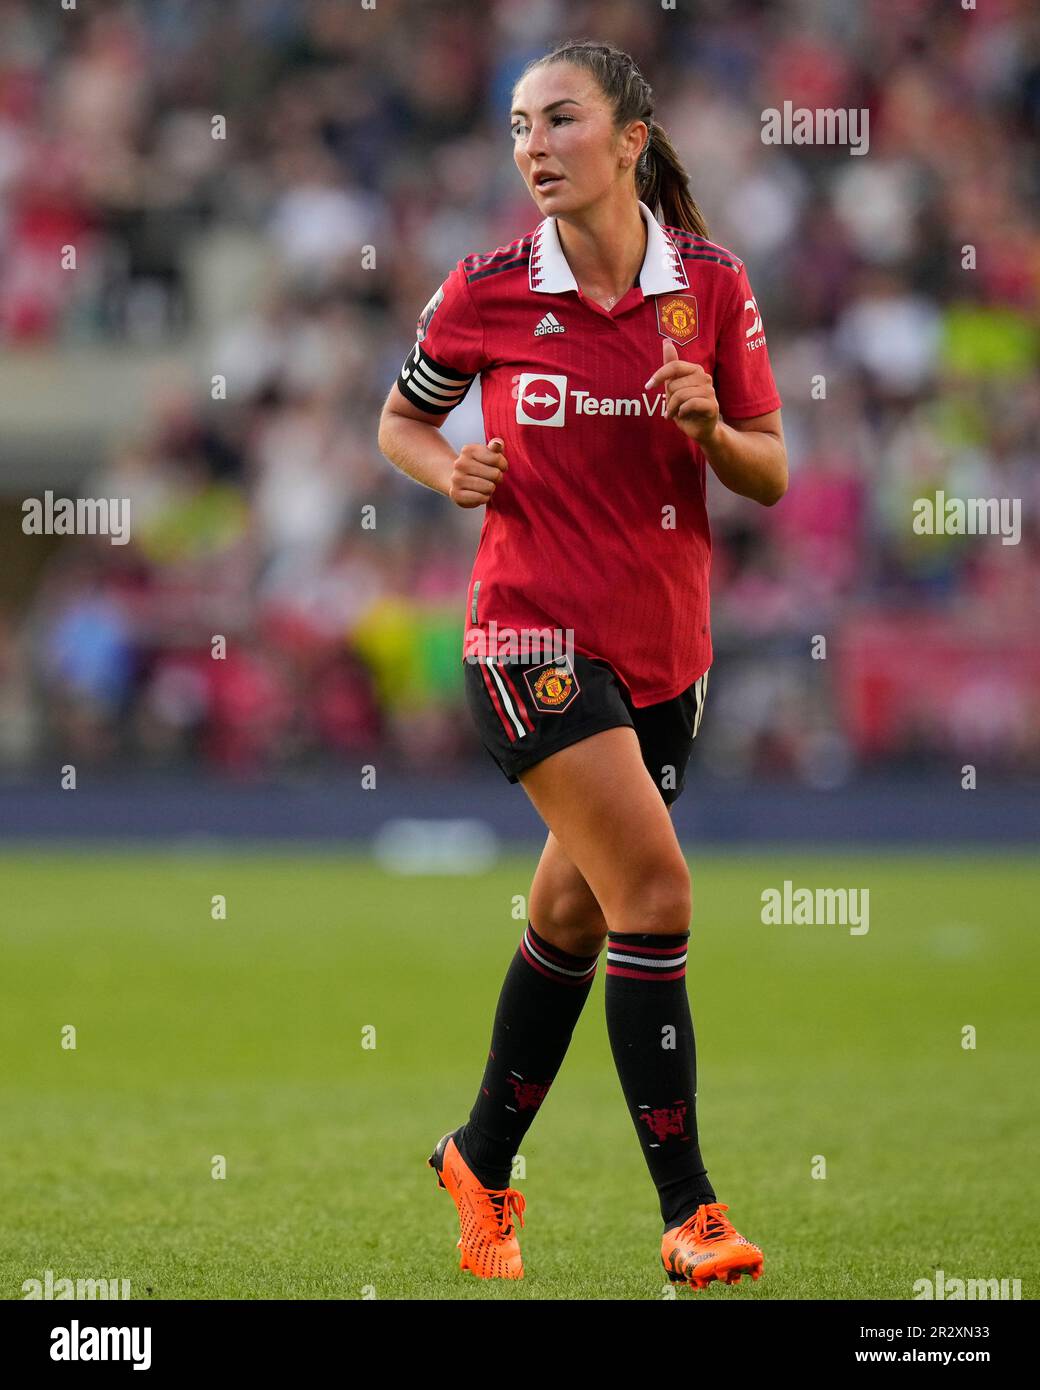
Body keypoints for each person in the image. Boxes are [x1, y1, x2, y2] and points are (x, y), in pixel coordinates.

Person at [377, 38, 786, 1291]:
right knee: (653, 896)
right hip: (527, 640)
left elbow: (770, 469)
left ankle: (478, 1157)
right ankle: (690, 1211)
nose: (532, 147)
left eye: (558, 121)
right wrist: (453, 470)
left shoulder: (708, 286)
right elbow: (400, 417)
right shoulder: (483, 289)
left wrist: (711, 427)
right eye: (515, 125)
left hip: (666, 655)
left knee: (570, 911)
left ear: (627, 139)